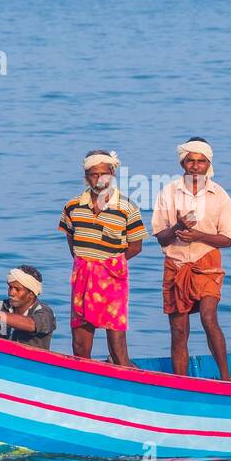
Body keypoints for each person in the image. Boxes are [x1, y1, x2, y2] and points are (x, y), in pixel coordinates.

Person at [151, 137, 231, 380]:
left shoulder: (218, 195)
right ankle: (181, 382)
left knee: (209, 318)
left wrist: (199, 235)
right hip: (176, 265)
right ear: (183, 163)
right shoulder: (169, 192)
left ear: (208, 163)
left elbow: (228, 238)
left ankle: (225, 378)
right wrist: (178, 225)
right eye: (191, 160)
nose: (195, 166)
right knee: (178, 330)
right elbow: (161, 237)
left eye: (201, 161)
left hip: (207, 263)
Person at [58, 149, 147, 366]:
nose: (99, 179)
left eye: (104, 174)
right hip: (82, 276)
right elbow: (72, 239)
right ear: (86, 177)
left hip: (112, 276)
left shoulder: (127, 207)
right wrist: (86, 262)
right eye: (93, 174)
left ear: (112, 174)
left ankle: (126, 382)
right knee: (80, 341)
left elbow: (136, 246)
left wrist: (109, 264)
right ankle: (83, 381)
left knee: (116, 342)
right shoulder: (73, 207)